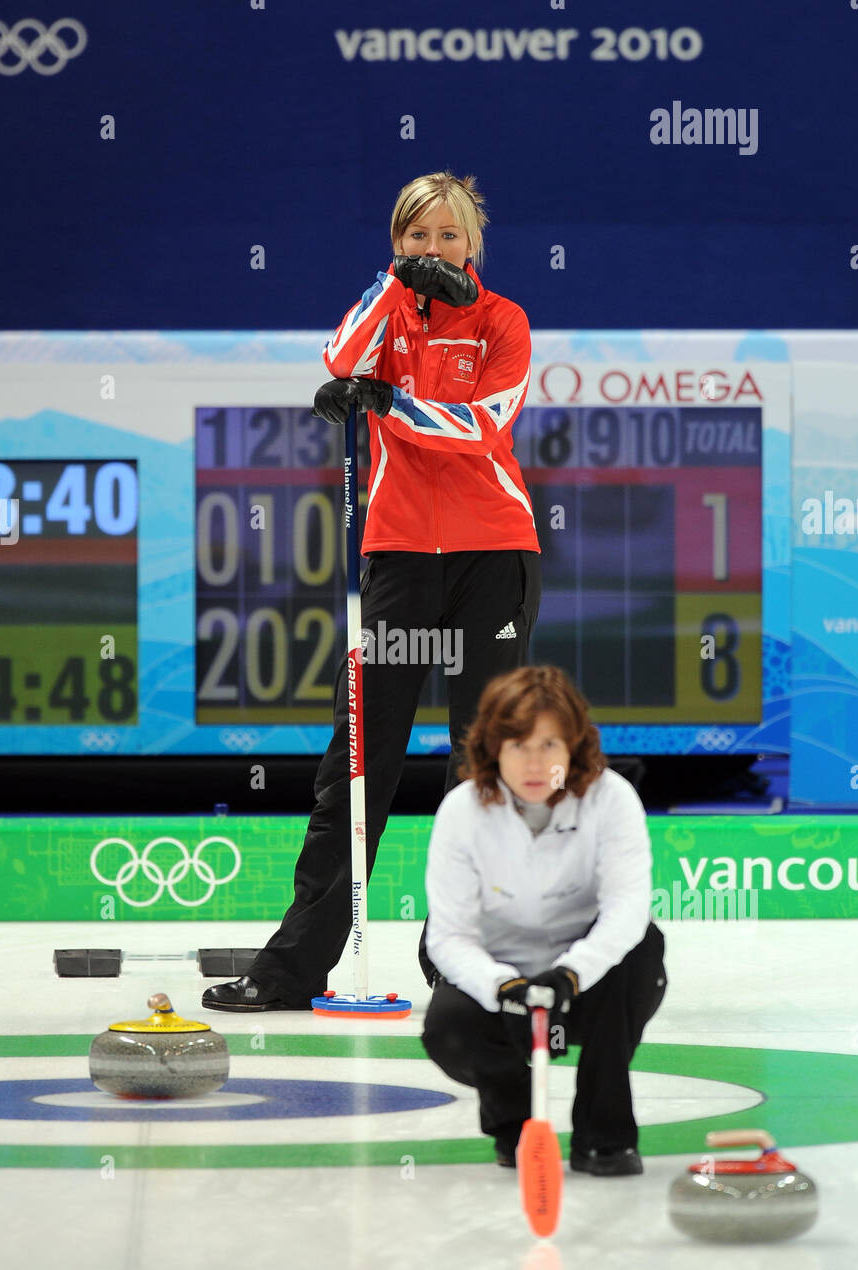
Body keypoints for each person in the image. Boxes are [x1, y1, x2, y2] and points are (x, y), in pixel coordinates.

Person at [202, 170, 541, 1013]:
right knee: (358, 760)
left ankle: (467, 961)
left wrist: (392, 401)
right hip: (397, 558)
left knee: (488, 763)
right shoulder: (387, 314)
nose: (434, 251)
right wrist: (392, 290)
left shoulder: (504, 322)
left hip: (493, 556)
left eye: (448, 237)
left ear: (475, 244)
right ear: (397, 243)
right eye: (416, 238)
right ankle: (293, 966)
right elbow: (337, 358)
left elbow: (482, 430)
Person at [421, 665, 667, 1176]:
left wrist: (572, 974)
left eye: (549, 745)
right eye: (517, 745)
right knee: (449, 1027)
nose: (535, 763)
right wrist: (501, 984)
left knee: (641, 950)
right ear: (493, 749)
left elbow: (627, 910)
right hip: (501, 971)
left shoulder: (613, 798)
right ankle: (515, 1129)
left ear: (574, 746)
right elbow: (450, 935)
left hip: (588, 978)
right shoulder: (461, 812)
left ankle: (606, 1135)